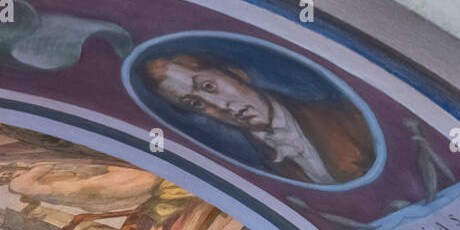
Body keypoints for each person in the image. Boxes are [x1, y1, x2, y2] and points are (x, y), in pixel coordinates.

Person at [142, 54, 374, 185]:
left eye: (209, 86)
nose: (221, 106)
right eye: (196, 104)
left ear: (236, 73)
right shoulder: (263, 165)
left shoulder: (348, 116)